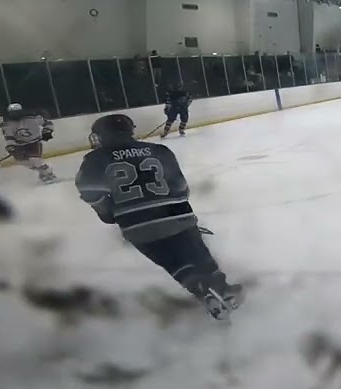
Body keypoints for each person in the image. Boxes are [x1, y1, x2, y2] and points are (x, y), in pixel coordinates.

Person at [75, 114, 243, 321]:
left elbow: (90, 191)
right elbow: (181, 187)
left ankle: (202, 291)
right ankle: (221, 288)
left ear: (102, 135)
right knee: (198, 254)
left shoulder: (95, 159)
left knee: (172, 262)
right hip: (178, 215)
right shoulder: (160, 151)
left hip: (137, 224)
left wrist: (107, 213)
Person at [2, 103, 57, 184]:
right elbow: (9, 136)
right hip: (19, 145)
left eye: (16, 112)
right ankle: (42, 172)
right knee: (22, 162)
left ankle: (49, 173)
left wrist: (47, 131)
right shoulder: (7, 124)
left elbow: (48, 123)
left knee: (35, 160)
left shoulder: (33, 117)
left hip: (34, 142)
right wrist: (10, 145)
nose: (15, 114)